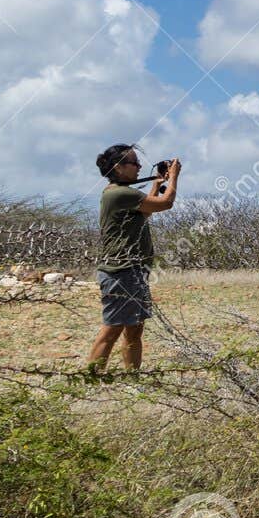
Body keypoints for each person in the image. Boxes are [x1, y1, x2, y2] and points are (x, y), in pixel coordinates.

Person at [87, 144, 181, 372]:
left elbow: (146, 211)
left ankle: (133, 376)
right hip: (121, 272)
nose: (139, 167)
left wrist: (157, 184)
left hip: (133, 271)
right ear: (119, 168)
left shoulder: (121, 194)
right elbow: (165, 204)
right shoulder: (120, 193)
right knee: (112, 328)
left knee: (134, 328)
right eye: (134, 162)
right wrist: (175, 177)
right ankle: (90, 379)